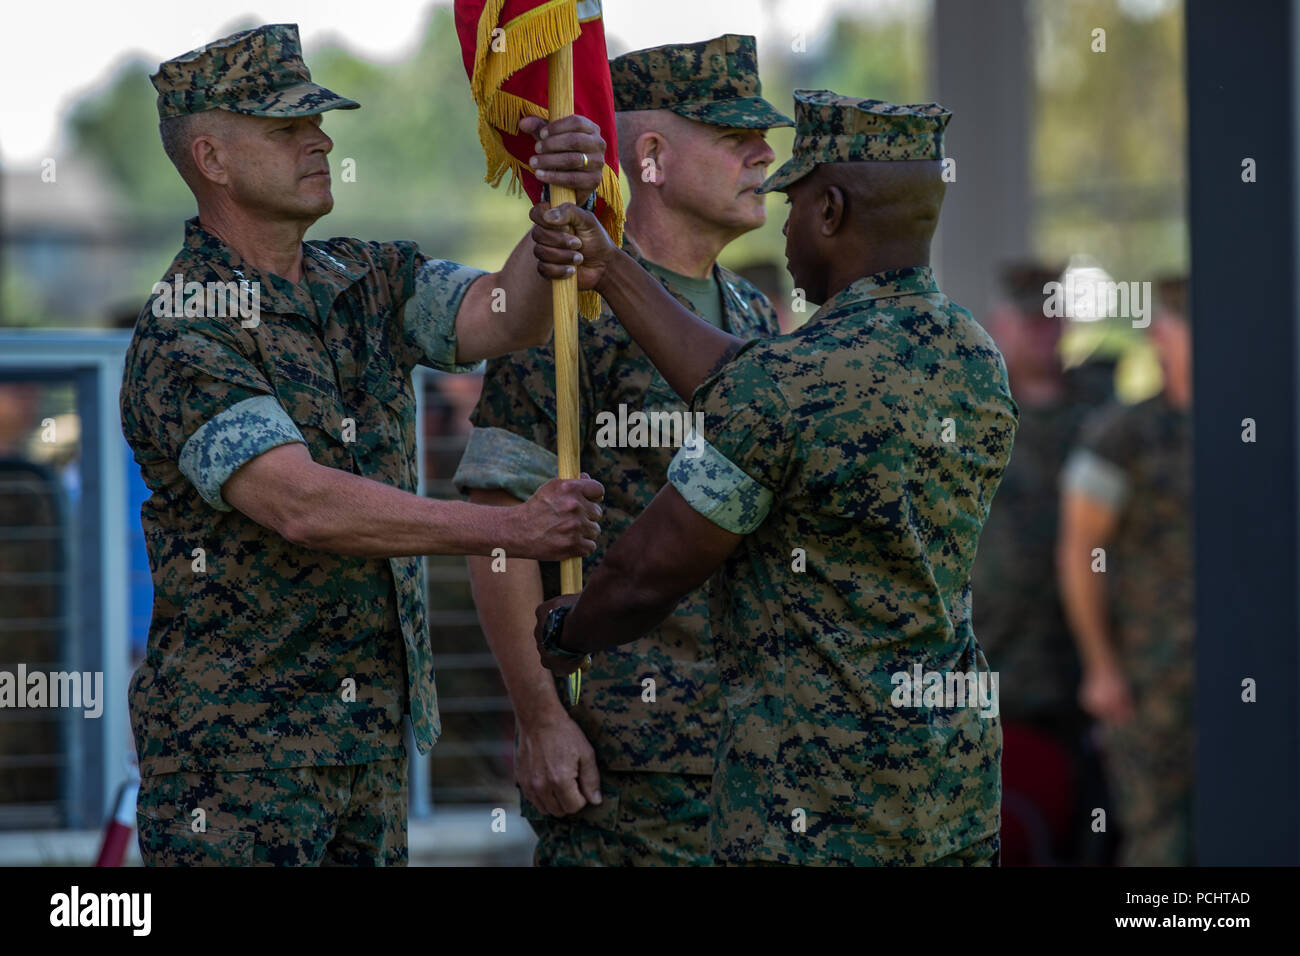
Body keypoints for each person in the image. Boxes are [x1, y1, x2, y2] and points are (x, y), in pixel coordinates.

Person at [121, 23, 606, 866]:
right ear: (212, 158)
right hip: (238, 758)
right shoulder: (186, 323)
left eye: (318, 122)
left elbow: (505, 313)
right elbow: (300, 504)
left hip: (365, 738)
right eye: (287, 130)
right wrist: (507, 531)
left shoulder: (366, 275)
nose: (322, 141)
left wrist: (561, 197)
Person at [527, 90, 1019, 865]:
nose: (782, 226)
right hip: (950, 792)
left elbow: (646, 573)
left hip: (814, 809)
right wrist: (613, 268)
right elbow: (744, 380)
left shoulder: (789, 389)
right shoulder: (972, 355)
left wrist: (567, 631)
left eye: (792, 204)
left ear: (828, 212)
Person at [453, 34, 790, 866]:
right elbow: (499, 521)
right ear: (652, 157)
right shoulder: (568, 306)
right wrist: (539, 716)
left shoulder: (749, 313)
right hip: (624, 749)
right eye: (733, 136)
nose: (765, 155)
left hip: (747, 740)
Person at [974, 262, 1109, 864]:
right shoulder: (974, 414)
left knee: (1095, 833)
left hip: (1088, 668)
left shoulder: (1103, 418)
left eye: (1051, 319)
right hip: (997, 672)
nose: (1042, 333)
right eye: (1029, 320)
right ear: (1001, 324)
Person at [1058, 276, 1194, 866]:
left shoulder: (1257, 422)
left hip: (1244, 678)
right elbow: (1079, 551)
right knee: (1157, 844)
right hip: (1147, 685)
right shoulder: (1123, 435)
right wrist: (1101, 666)